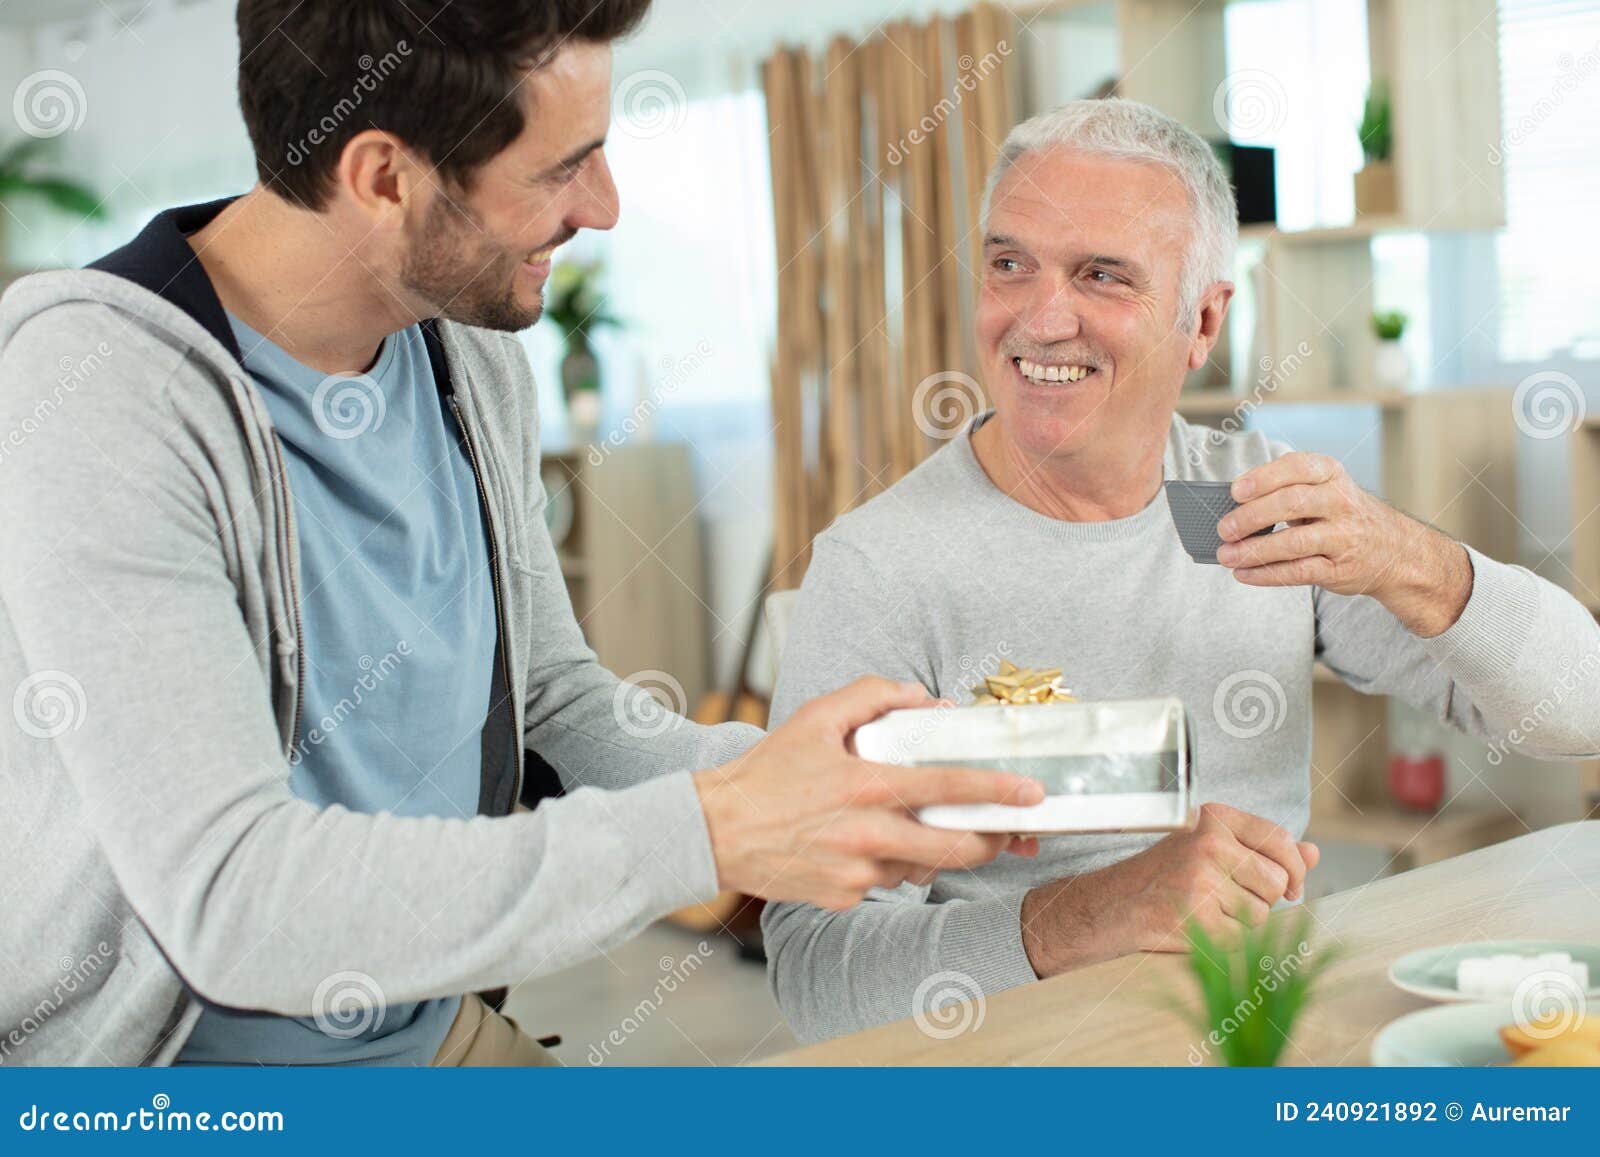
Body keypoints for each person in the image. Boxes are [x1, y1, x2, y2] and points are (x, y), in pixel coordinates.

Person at [0, 0, 1042, 1067]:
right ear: (384, 176)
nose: (605, 206)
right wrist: (716, 828)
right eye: (561, 168)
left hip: (421, 1029)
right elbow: (233, 902)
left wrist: (842, 776)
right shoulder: (100, 394)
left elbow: (553, 701)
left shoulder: (464, 353)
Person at [762, 98, 1600, 1044]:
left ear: (1201, 322)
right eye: (1010, 264)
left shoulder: (1244, 506)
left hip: (1252, 1038)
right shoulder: (882, 566)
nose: (1041, 317)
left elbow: (1582, 713)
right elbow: (813, 973)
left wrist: (1411, 559)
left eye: (1101, 275)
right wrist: (1087, 913)